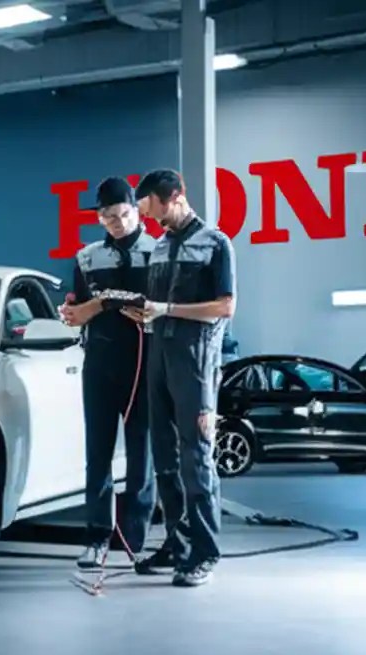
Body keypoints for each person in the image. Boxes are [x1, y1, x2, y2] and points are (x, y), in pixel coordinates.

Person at [123, 168, 236, 588]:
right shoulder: (160, 246)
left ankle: (205, 553)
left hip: (196, 362)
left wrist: (166, 309)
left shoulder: (216, 244)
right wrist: (145, 312)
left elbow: (225, 307)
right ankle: (178, 545)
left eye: (153, 210)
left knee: (196, 459)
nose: (151, 220)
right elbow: (157, 303)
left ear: (172, 197)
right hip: (159, 355)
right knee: (165, 460)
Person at [60, 177, 158, 571]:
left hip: (145, 362)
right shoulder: (86, 257)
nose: (118, 224)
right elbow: (79, 308)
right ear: (99, 219)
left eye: (124, 215)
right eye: (110, 218)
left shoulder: (160, 251)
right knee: (97, 454)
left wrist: (99, 304)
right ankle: (97, 538)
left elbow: (156, 302)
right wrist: (71, 313)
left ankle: (134, 540)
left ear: (137, 212)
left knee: (142, 454)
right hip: (99, 362)